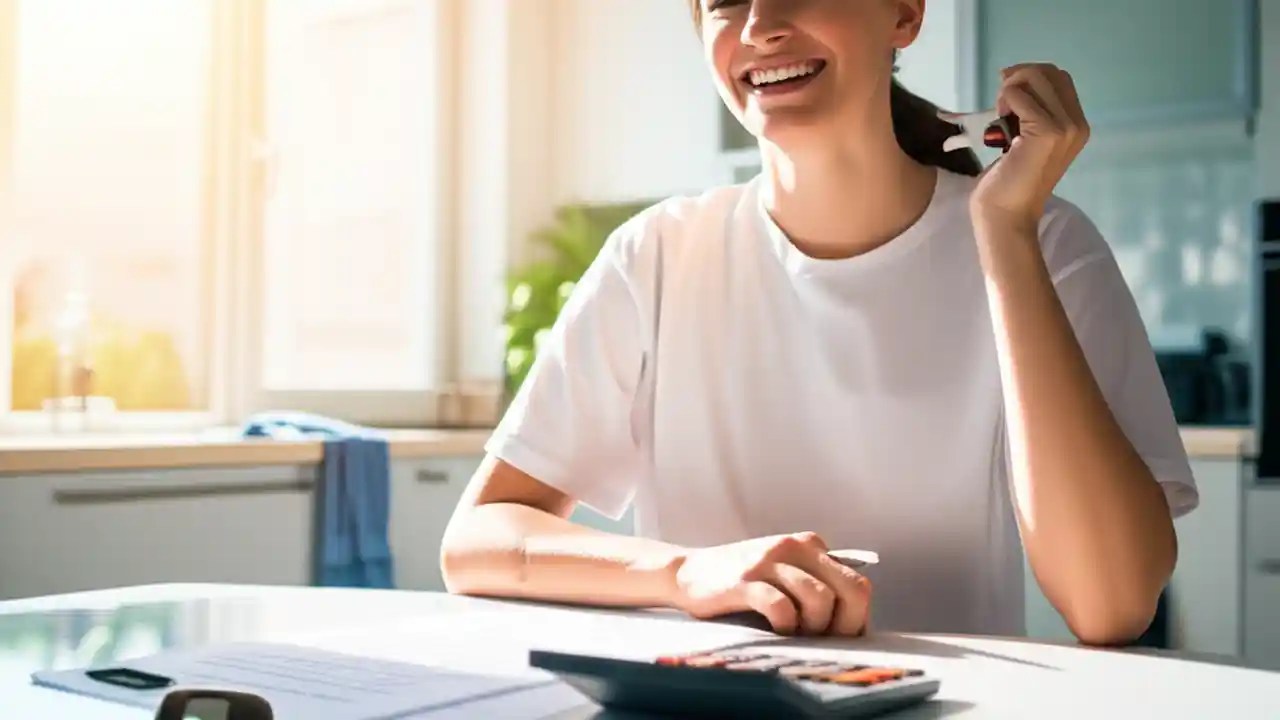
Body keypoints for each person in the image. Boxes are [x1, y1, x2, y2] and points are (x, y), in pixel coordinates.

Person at [440, 0, 1199, 646]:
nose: (763, 24)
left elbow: (1114, 606)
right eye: (726, 0)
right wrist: (683, 572)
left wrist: (1003, 235)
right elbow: (478, 542)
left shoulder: (1044, 242)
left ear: (903, 12)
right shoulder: (658, 255)